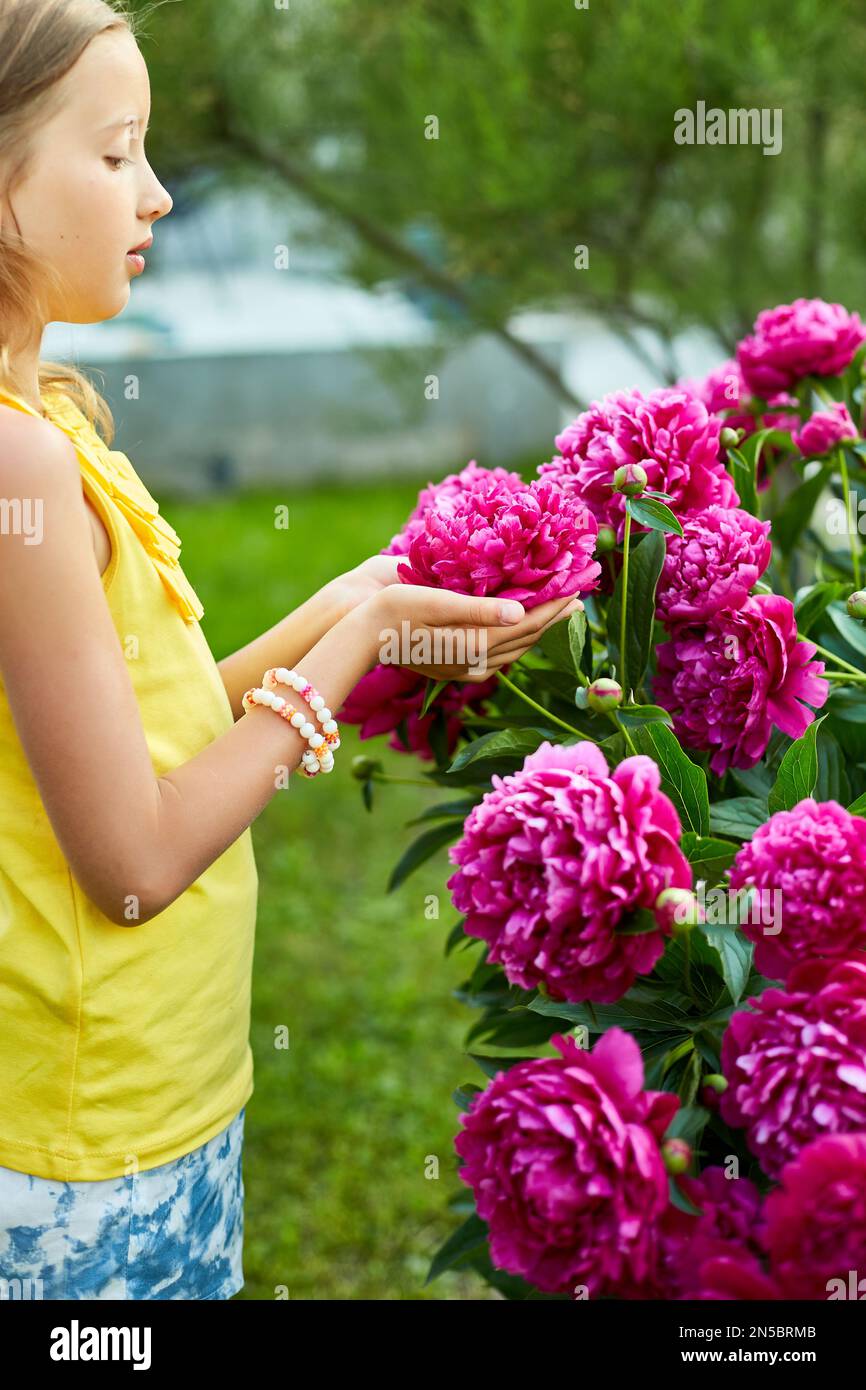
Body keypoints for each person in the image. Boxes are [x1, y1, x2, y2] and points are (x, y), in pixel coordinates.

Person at [0, 0, 580, 1299]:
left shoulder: (47, 425)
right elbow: (135, 865)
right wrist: (367, 636)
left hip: (156, 1101)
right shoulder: (15, 465)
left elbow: (146, 736)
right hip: (89, 1157)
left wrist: (347, 599)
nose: (153, 195)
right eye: (113, 155)